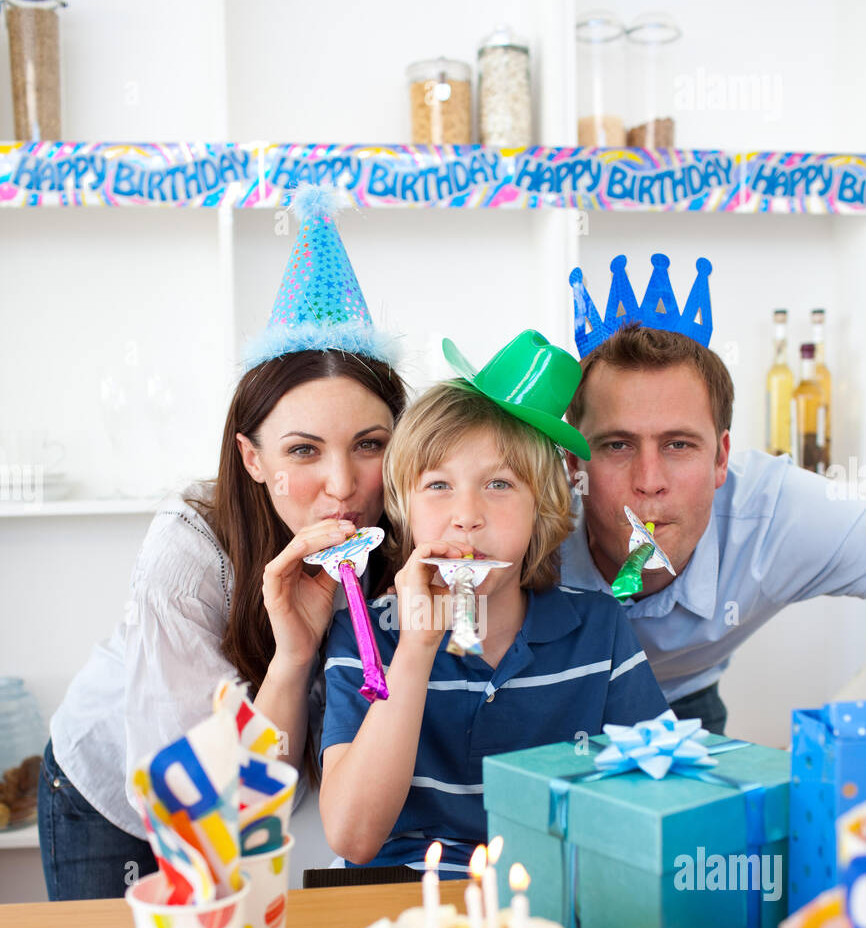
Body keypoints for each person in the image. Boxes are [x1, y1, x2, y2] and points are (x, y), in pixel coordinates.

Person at [39, 185, 405, 900]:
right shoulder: (189, 555)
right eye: (303, 451)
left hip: (262, 805)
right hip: (128, 796)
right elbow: (212, 811)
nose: (340, 484)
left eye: (370, 445)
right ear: (252, 458)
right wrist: (295, 655)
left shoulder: (403, 530)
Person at [318, 331, 669, 874]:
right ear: (404, 510)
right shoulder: (366, 635)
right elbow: (353, 837)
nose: (467, 515)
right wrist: (416, 647)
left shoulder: (599, 631)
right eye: (438, 486)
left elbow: (657, 798)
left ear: (544, 509)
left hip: (544, 899)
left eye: (500, 484)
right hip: (395, 906)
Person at [561, 256, 866, 735]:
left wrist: (840, 736)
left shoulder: (771, 514)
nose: (649, 480)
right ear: (574, 461)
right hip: (547, 696)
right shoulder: (525, 516)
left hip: (682, 700)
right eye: (617, 445)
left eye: (678, 444)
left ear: (721, 458)